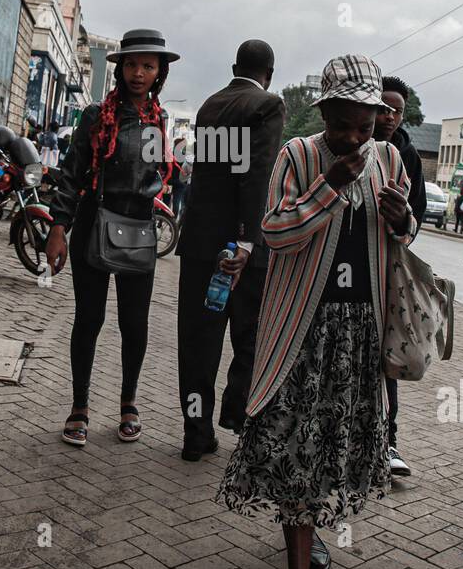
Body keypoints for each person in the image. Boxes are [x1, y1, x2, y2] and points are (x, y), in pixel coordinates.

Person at [217, 54, 415, 569]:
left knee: (332, 440)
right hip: (301, 327)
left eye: (365, 126)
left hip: (359, 331)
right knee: (295, 445)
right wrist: (328, 186)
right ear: (324, 112)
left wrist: (403, 221)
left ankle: (312, 537)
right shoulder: (298, 155)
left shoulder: (390, 160)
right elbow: (277, 233)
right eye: (342, 124)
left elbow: (403, 235)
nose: (354, 137)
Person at [44, 29, 179, 448]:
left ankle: (129, 404)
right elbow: (71, 173)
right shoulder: (95, 115)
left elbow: (155, 174)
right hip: (91, 226)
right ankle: (79, 407)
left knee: (134, 323)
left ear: (159, 73)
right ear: (120, 68)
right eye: (132, 64)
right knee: (89, 319)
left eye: (148, 66)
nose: (139, 73)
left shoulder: (159, 120)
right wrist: (58, 227)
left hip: (139, 230)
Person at [175, 39, 285, 462]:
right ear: (269, 74)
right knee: (250, 338)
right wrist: (244, 239)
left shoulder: (210, 106)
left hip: (201, 245)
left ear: (234, 66)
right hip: (240, 252)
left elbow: (216, 174)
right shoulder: (268, 106)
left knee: (198, 343)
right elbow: (254, 176)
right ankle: (238, 418)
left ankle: (195, 434)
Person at [371, 75, 426, 480]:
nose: (390, 117)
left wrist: (403, 218)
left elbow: (416, 219)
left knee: (389, 355)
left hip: (390, 269)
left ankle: (388, 442)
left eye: (397, 112)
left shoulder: (407, 155)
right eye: (384, 108)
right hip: (351, 271)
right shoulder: (347, 144)